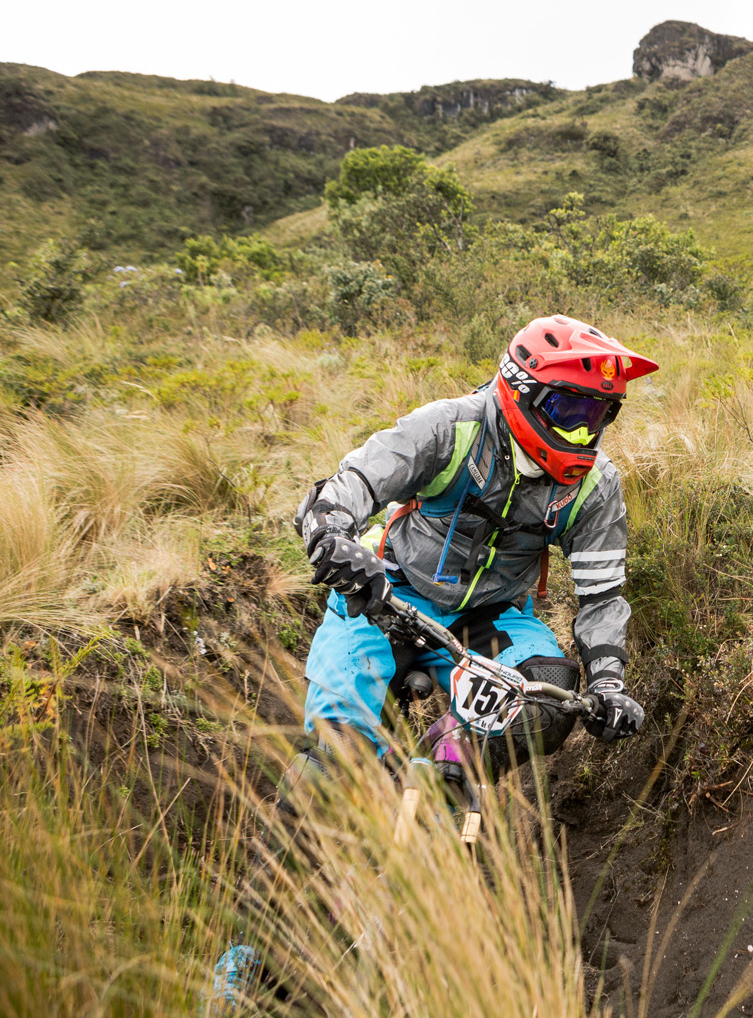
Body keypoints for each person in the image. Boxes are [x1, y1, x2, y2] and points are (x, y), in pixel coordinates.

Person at [204, 315, 654, 1014]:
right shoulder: (451, 428)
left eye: (598, 413)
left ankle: (444, 770)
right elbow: (352, 481)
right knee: (331, 761)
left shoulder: (592, 488)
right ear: (520, 391)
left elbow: (602, 594)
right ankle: (250, 960)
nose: (582, 430)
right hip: (385, 595)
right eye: (567, 409)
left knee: (547, 697)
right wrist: (331, 531)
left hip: (493, 619)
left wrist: (609, 682)